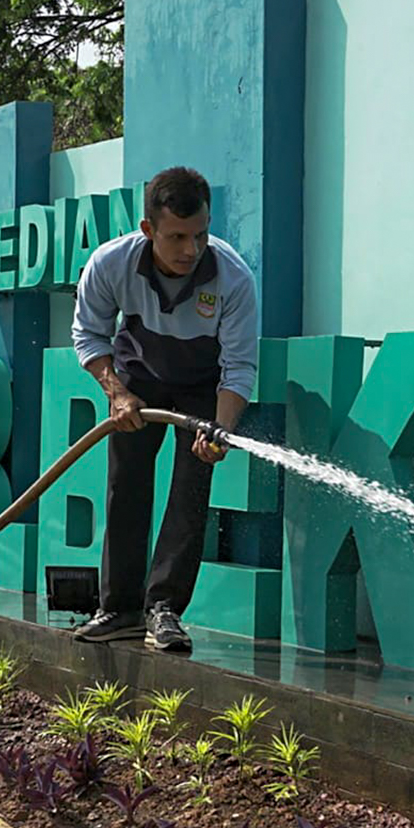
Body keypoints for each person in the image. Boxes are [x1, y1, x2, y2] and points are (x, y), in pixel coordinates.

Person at [68, 167, 259, 651]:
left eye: (201, 235)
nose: (191, 250)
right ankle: (119, 609)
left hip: (203, 385)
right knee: (126, 484)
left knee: (191, 489)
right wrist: (116, 392)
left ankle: (164, 609)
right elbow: (88, 334)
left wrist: (221, 429)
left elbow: (239, 366)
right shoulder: (110, 263)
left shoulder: (234, 278)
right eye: (176, 237)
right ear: (148, 229)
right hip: (137, 377)